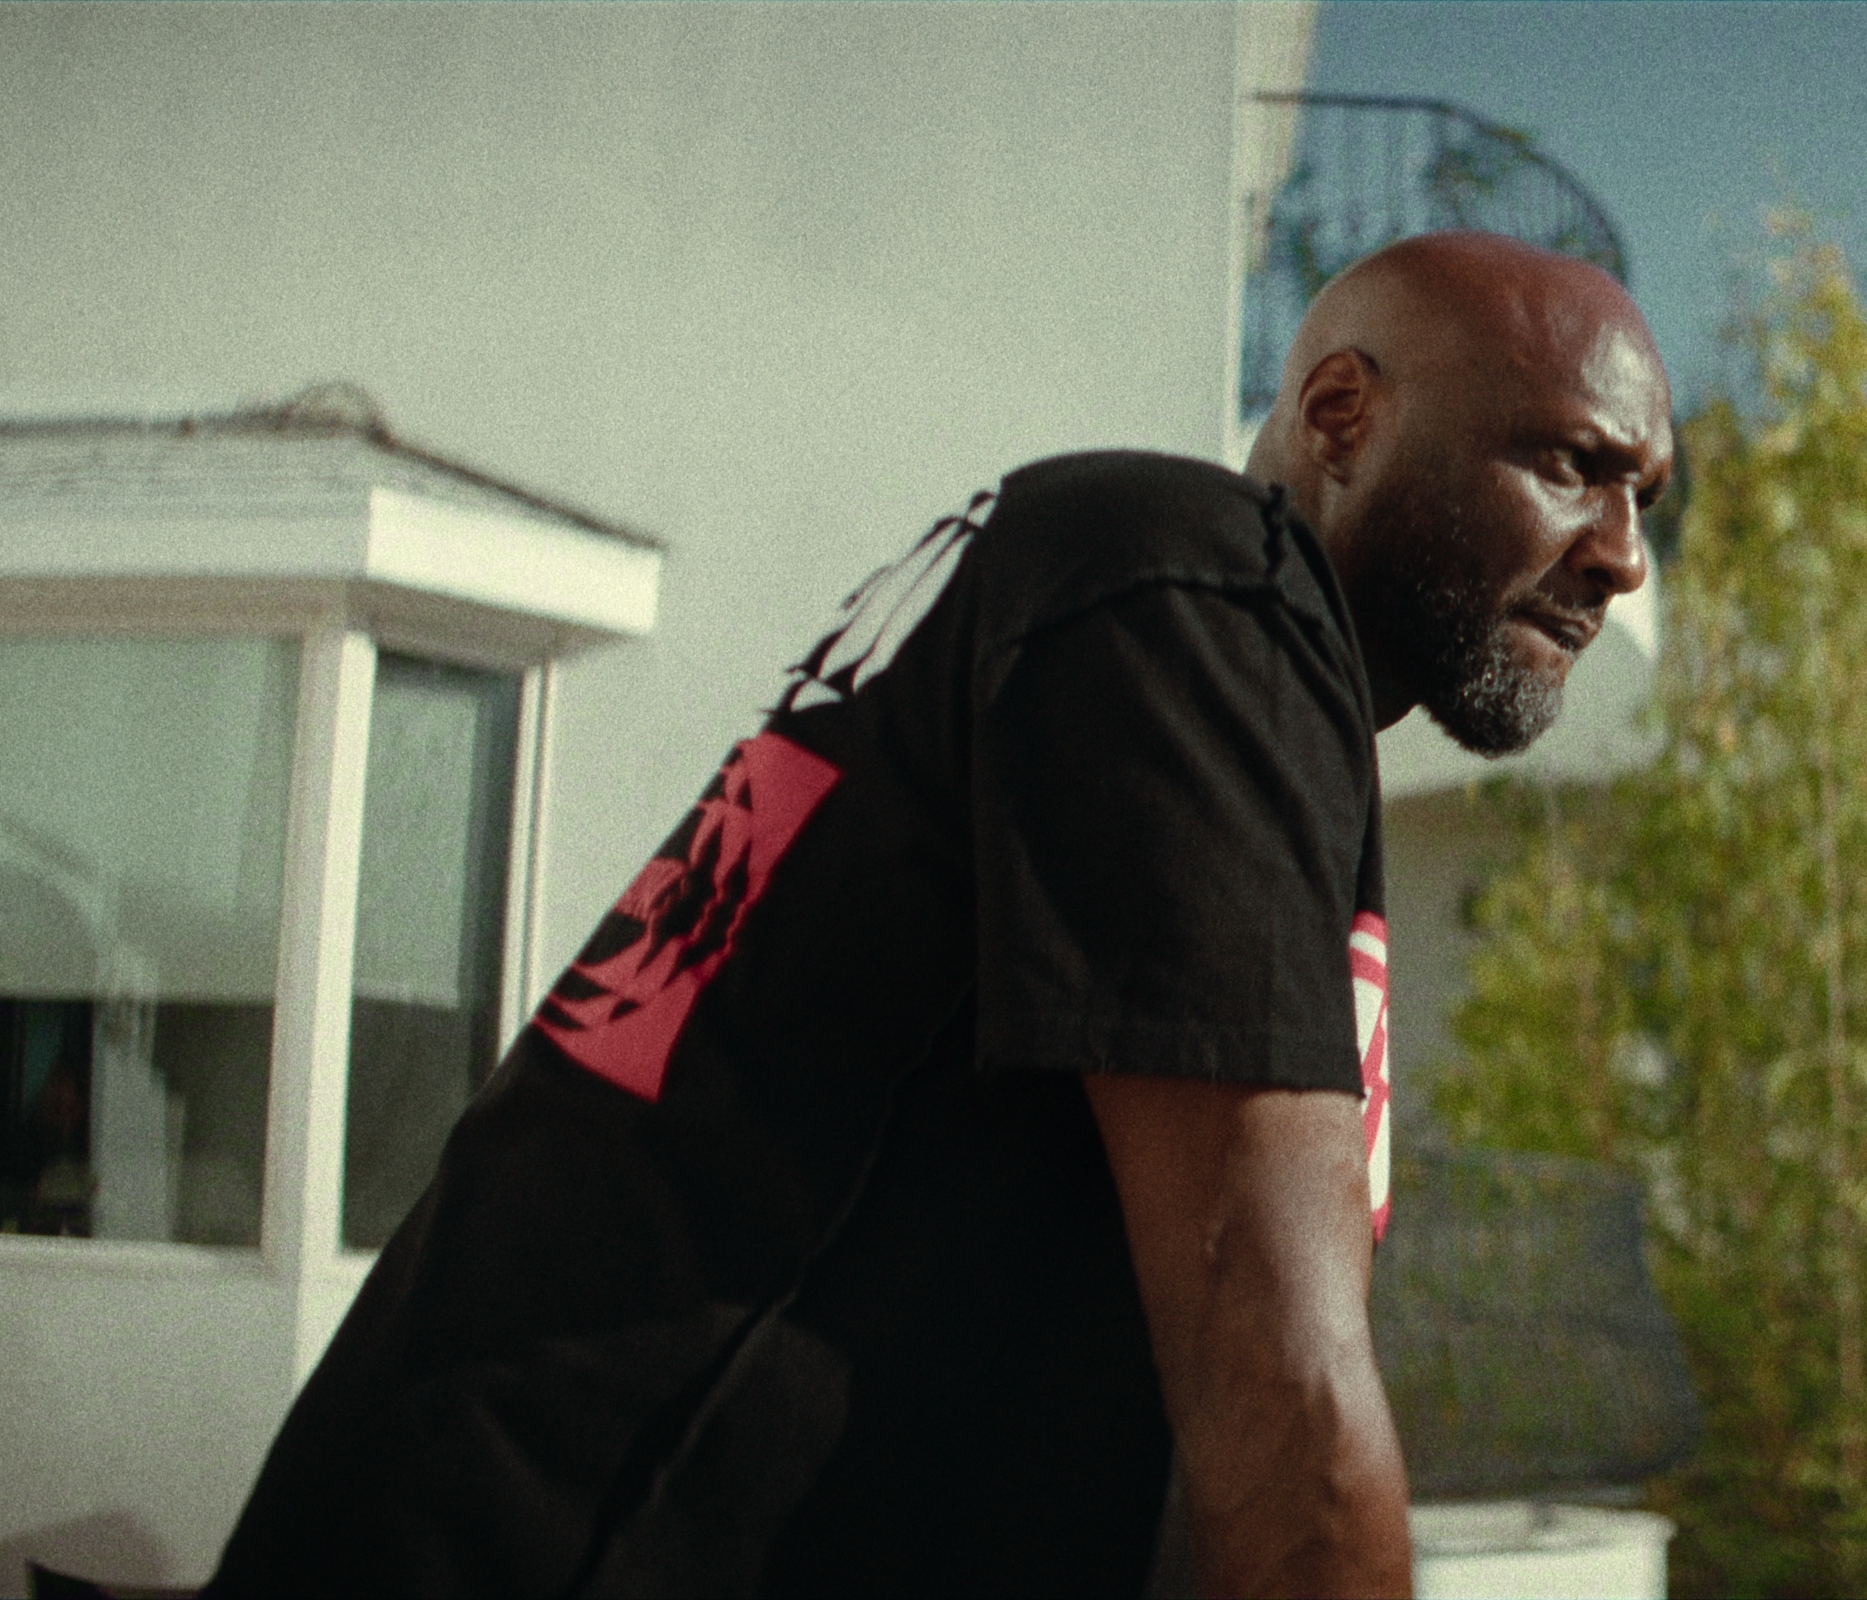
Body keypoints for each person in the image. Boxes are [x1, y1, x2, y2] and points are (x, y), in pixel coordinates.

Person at [205, 231, 1671, 1599]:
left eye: (1642, 500)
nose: (1620, 551)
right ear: (1343, 414)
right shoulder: (1197, 586)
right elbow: (1274, 1375)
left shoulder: (1201, 656)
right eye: (1570, 464)